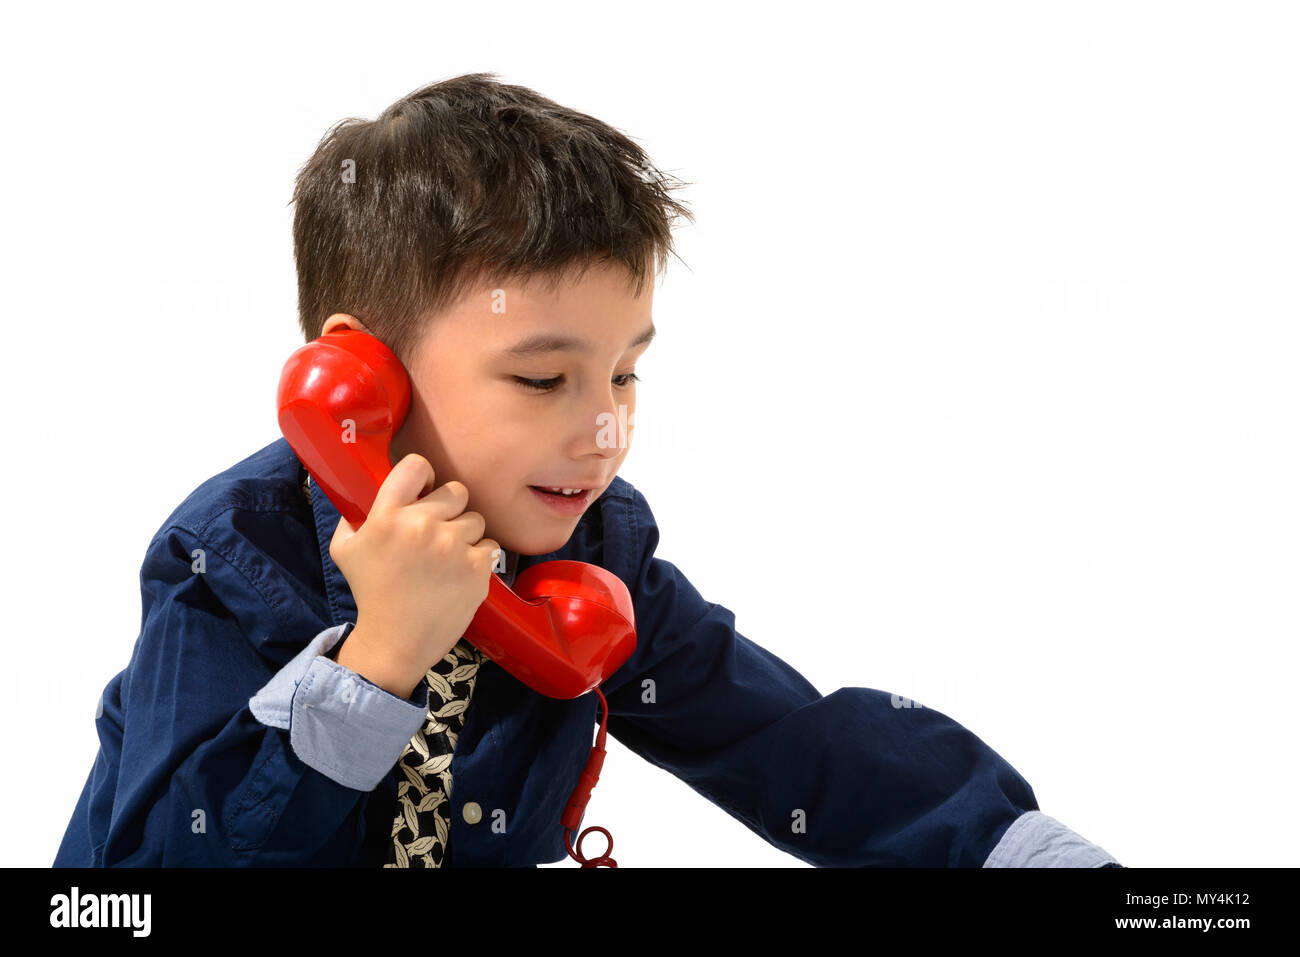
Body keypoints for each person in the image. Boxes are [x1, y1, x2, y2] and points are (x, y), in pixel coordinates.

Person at [54, 72, 1120, 868]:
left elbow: (788, 741)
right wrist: (372, 664)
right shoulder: (236, 556)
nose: (604, 431)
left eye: (623, 376)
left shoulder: (596, 550)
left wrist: (1018, 852)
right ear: (357, 374)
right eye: (541, 380)